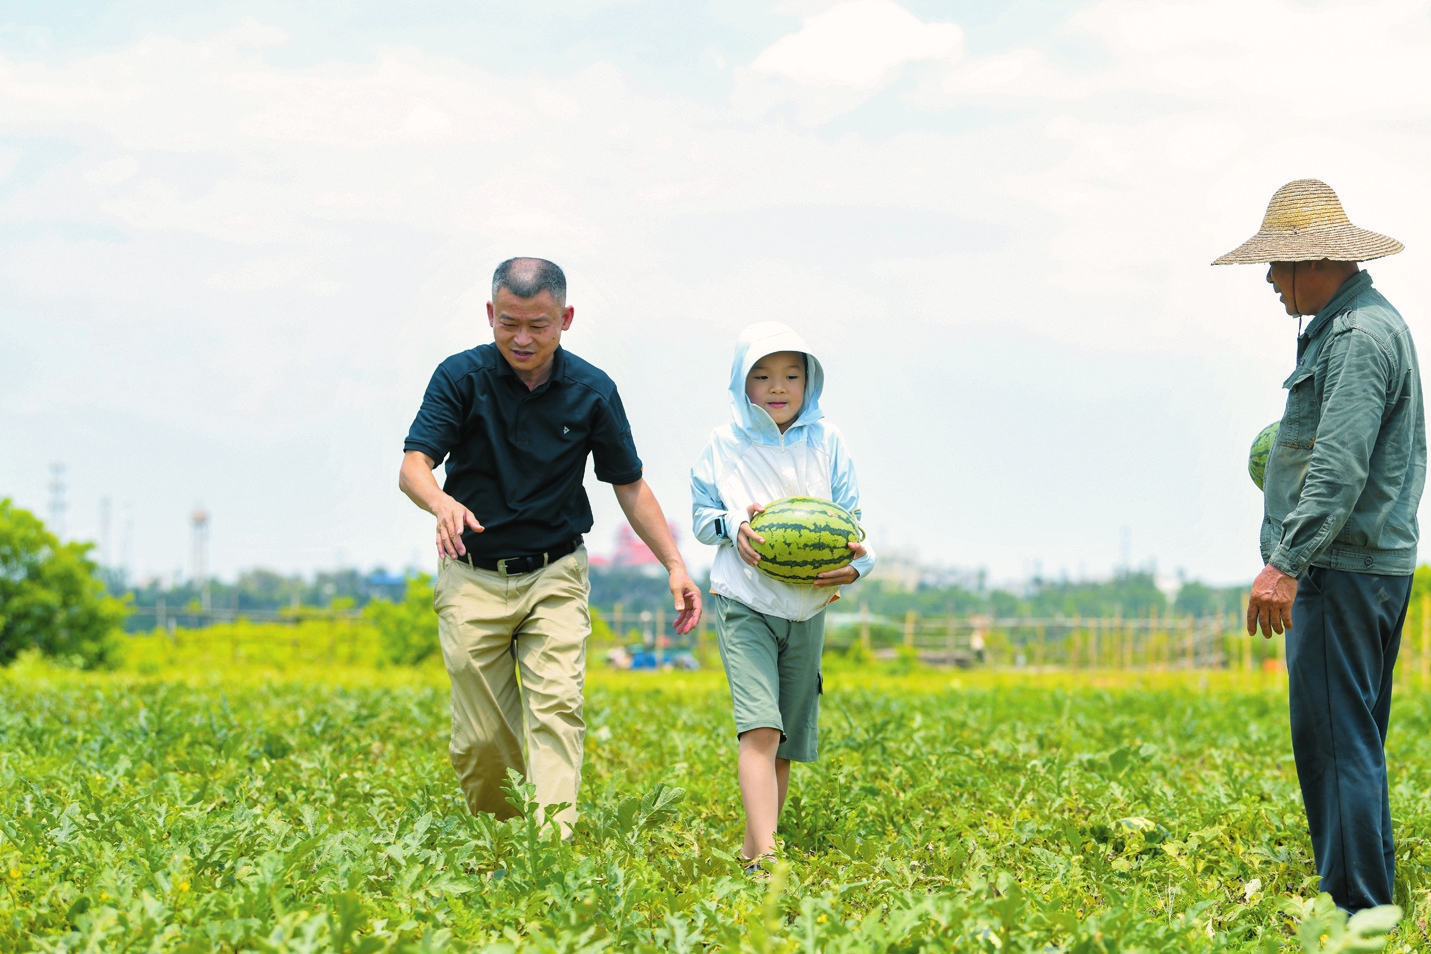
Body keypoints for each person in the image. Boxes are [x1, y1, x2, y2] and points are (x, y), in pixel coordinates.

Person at [400, 257, 701, 835]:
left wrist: (674, 564)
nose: (522, 338)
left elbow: (629, 484)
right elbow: (413, 464)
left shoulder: (592, 390)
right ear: (490, 314)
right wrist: (441, 502)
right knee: (483, 738)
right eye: (509, 322)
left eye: (538, 325)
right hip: (472, 572)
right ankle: (505, 835)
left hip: (555, 572)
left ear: (564, 319)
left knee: (557, 708)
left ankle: (551, 848)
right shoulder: (459, 378)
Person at [1215, 179, 1424, 912]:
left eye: (1276, 265)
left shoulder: (1359, 337)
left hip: (1340, 569)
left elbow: (1337, 468)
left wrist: (1284, 564)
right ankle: (1368, 901)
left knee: (1338, 747)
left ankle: (1357, 914)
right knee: (1350, 744)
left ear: (1317, 261)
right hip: (1361, 565)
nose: (1269, 280)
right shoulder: (1356, 325)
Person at [690, 322, 875, 873]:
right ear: (742, 385)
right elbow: (702, 519)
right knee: (761, 728)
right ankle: (770, 858)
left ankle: (752, 854)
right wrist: (732, 529)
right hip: (743, 599)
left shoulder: (828, 441)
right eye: (763, 376)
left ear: (809, 382)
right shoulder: (723, 445)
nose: (778, 387)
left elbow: (852, 525)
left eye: (792, 375)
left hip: (807, 606)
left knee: (786, 743)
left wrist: (854, 568)